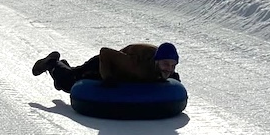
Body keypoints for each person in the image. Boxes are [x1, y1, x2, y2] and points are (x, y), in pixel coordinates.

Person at [32, 42, 181, 93]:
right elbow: (105, 52)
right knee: (70, 83)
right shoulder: (136, 66)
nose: (169, 68)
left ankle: (63, 67)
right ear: (156, 61)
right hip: (103, 64)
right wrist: (107, 77)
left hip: (119, 68)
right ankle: (52, 62)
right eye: (165, 64)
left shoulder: (163, 68)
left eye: (172, 66)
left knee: (71, 75)